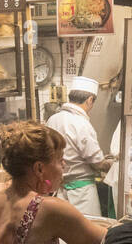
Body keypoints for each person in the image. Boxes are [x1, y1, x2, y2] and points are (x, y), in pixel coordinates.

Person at [46, 75, 115, 217]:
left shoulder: (52, 119)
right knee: (87, 233)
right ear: (90, 100)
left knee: (63, 235)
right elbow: (97, 162)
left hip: (59, 190)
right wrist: (110, 164)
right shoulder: (82, 124)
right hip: (82, 194)